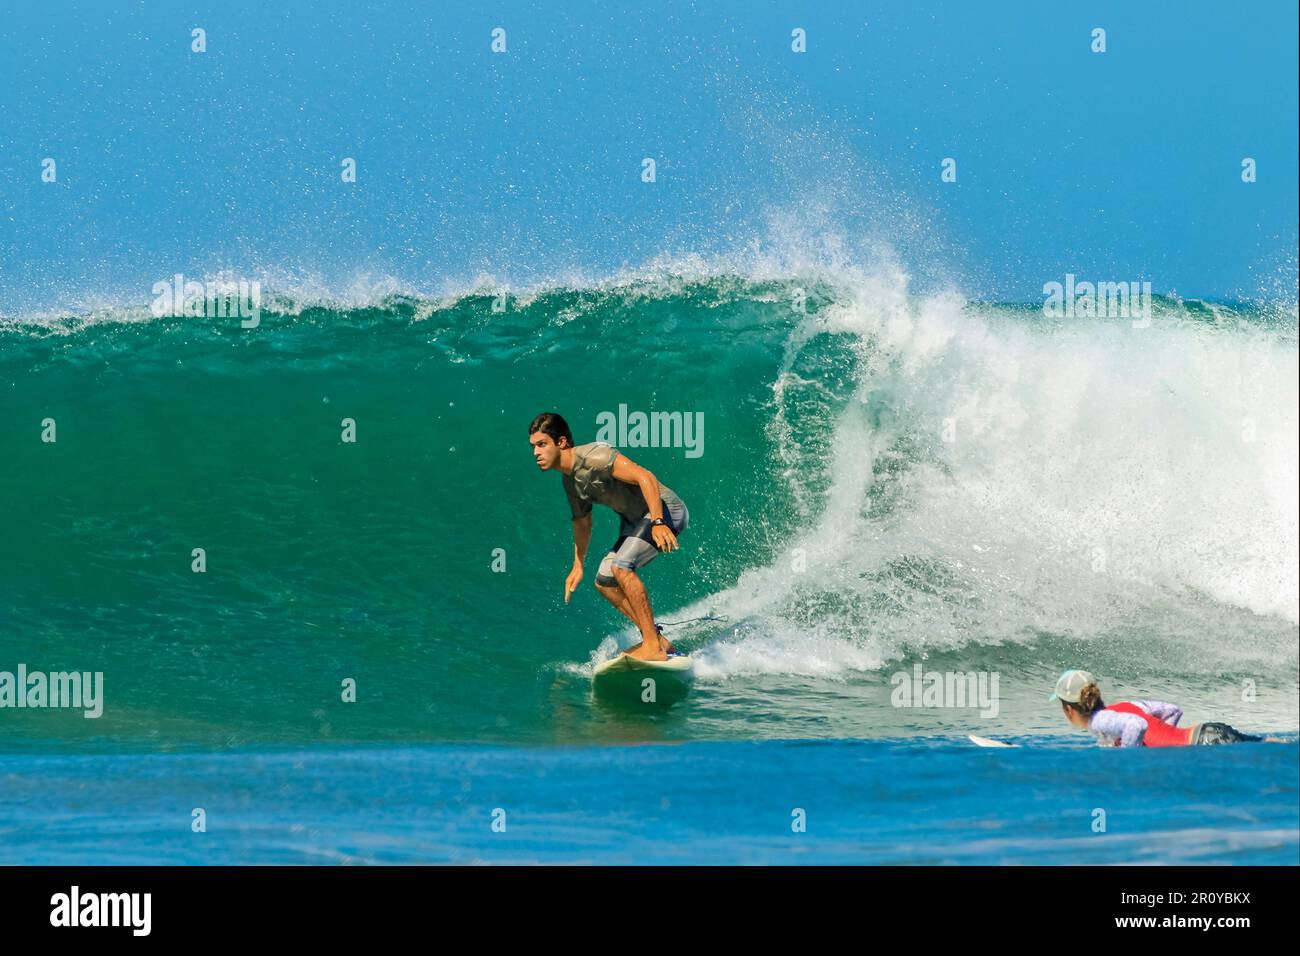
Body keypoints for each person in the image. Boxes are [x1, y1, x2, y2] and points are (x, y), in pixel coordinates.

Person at [529, 412, 689, 661]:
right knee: (604, 581)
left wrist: (658, 522)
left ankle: (651, 646)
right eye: (533, 447)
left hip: (665, 510)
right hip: (635, 521)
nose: (536, 452)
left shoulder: (595, 457)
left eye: (542, 444)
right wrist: (578, 564)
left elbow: (645, 477)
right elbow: (583, 522)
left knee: (621, 567)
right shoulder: (570, 482)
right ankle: (656, 640)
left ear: (561, 442)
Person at [1050, 669, 1273, 747]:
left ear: (1068, 710)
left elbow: (1136, 726)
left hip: (1203, 744)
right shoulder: (1126, 706)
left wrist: (1128, 757)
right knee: (1269, 745)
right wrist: (1161, 744)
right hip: (1206, 732)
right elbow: (1172, 709)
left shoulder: (1099, 721)